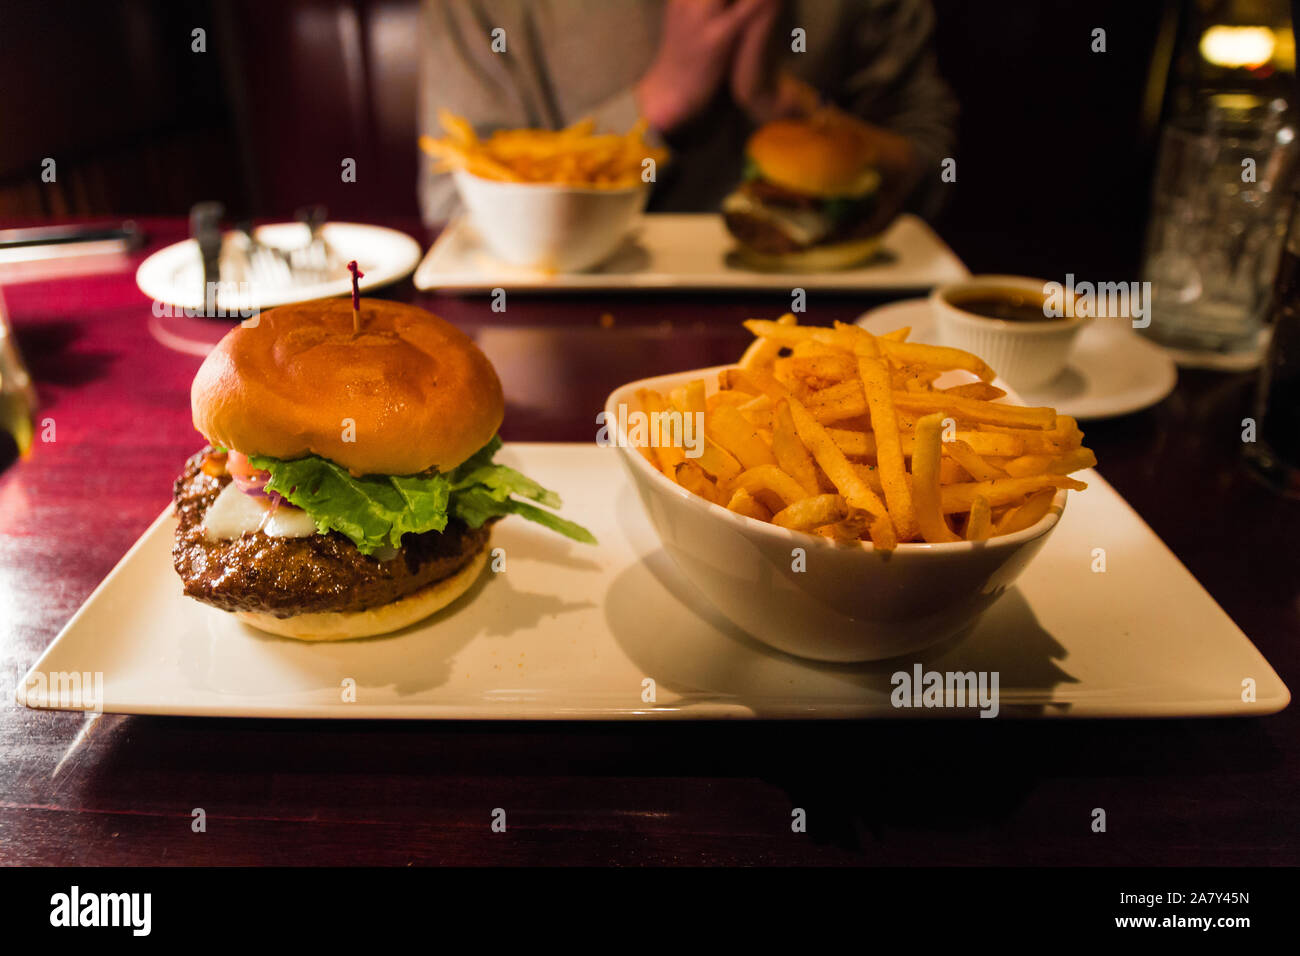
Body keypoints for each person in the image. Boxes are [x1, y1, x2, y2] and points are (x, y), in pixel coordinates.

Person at [417, 0, 956, 229]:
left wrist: (791, 109)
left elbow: (936, 171)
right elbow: (451, 205)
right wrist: (655, 104)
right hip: (560, 325)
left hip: (845, 308)